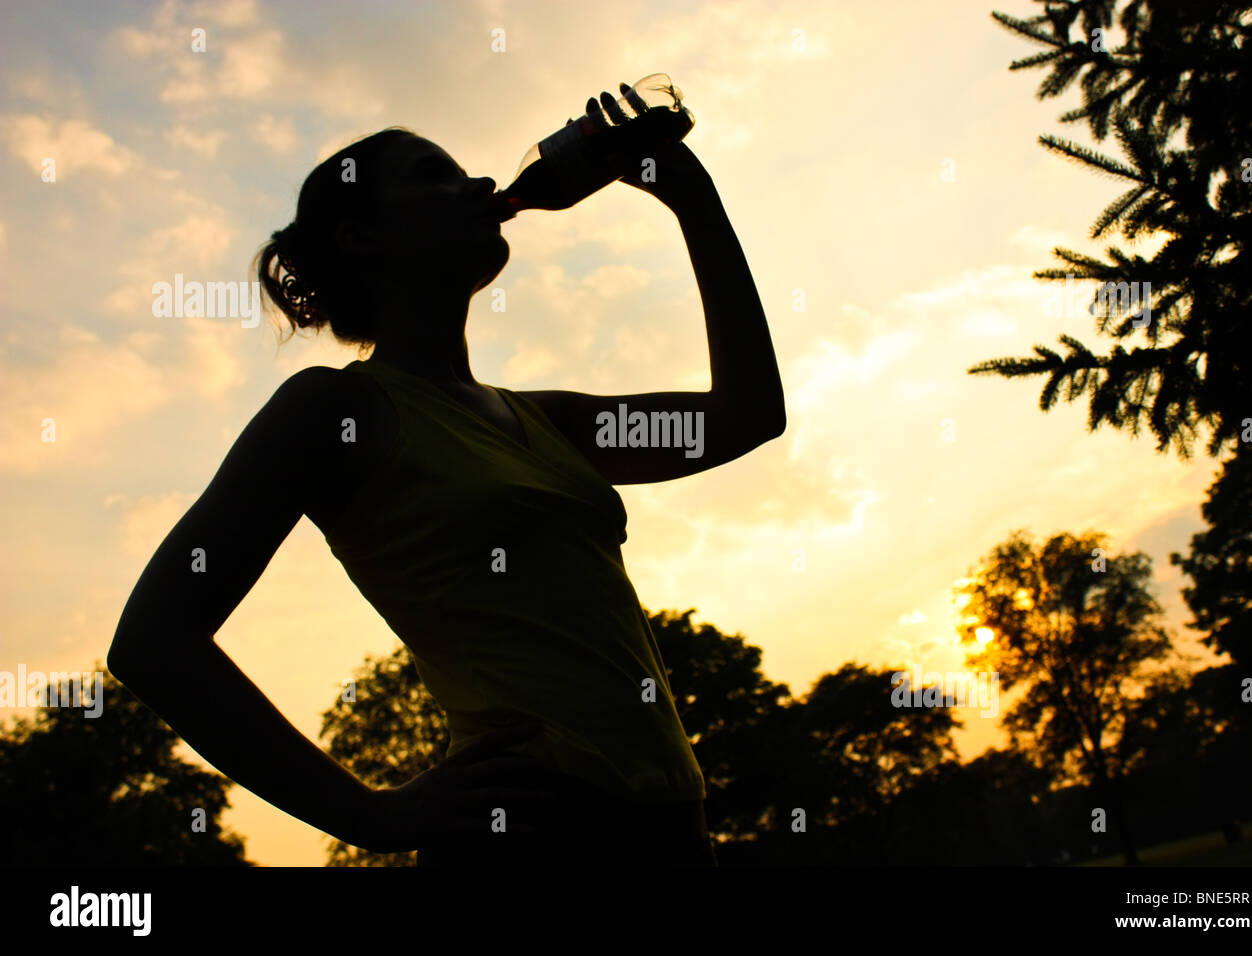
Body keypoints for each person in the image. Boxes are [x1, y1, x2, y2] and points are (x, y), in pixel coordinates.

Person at [107, 83, 784, 867]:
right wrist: (370, 816)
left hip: (673, 827)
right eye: (434, 175)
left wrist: (691, 198)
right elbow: (154, 641)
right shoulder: (332, 410)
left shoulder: (545, 419)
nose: (478, 187)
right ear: (363, 236)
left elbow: (745, 417)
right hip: (534, 833)